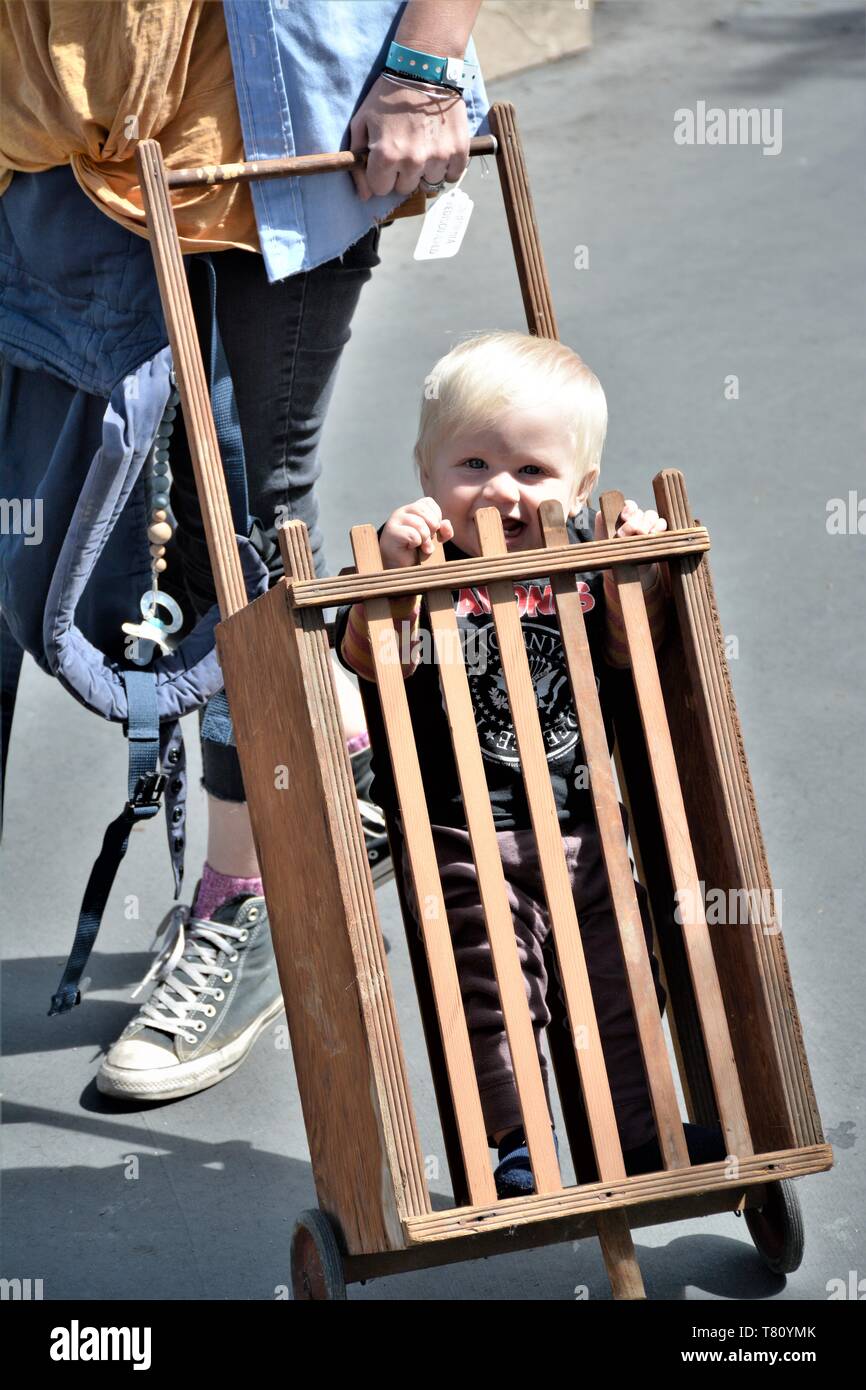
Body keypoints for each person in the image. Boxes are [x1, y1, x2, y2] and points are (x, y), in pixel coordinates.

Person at [0, 0, 490, 1099]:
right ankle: (324, 771)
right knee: (50, 513)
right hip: (59, 123)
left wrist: (422, 69)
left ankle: (246, 895)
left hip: (281, 125)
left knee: (248, 526)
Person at [335, 331, 727, 1194]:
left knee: (620, 982)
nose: (502, 491)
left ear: (581, 488)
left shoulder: (582, 565)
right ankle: (517, 1145)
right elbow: (371, 660)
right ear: (426, 472)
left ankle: (638, 1137)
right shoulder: (418, 568)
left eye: (535, 473)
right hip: (462, 837)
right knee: (494, 993)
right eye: (472, 461)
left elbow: (634, 653)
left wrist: (640, 571)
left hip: (584, 822)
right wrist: (389, 583)